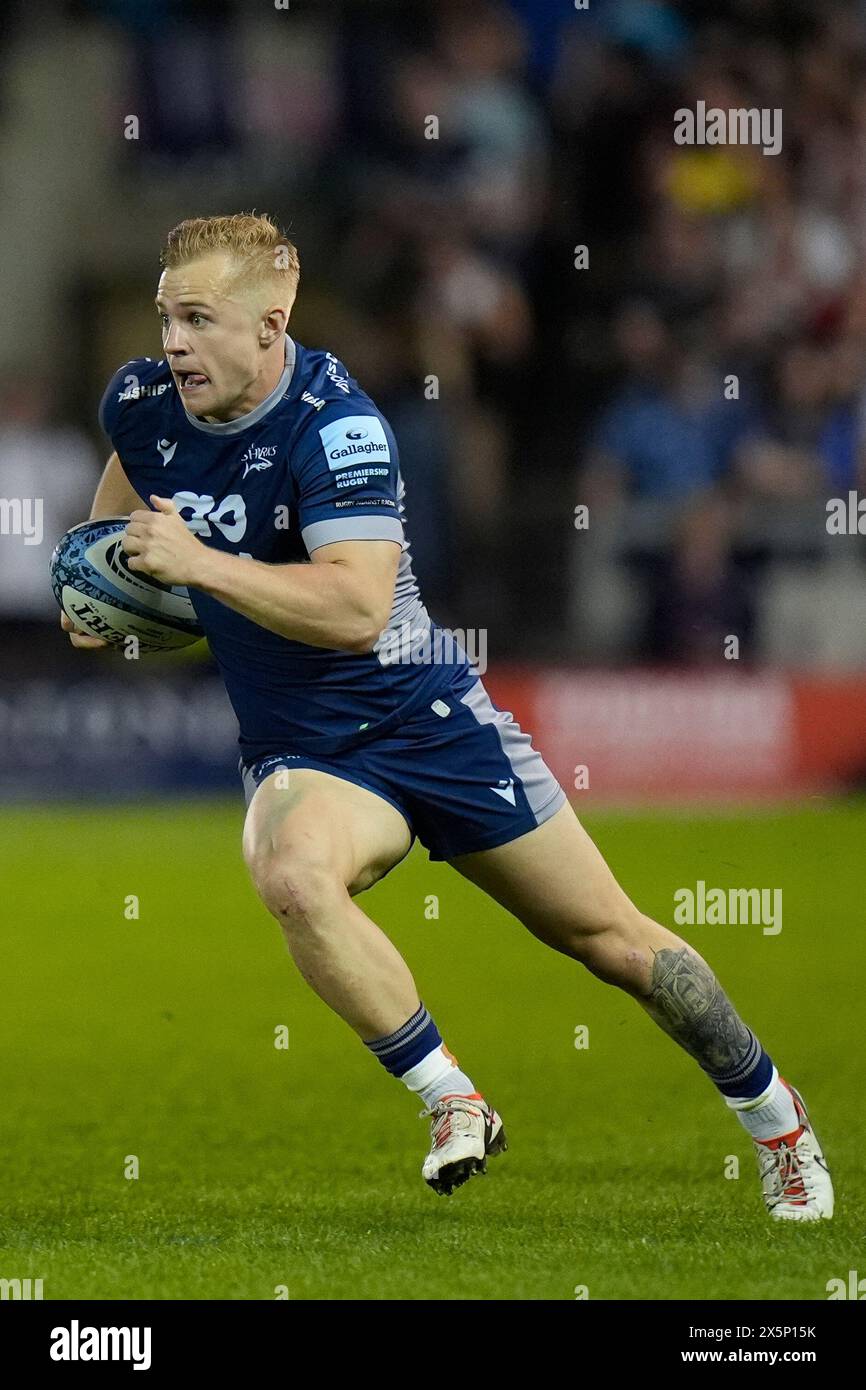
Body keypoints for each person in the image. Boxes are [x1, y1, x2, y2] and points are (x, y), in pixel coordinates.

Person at [62, 213, 832, 1218]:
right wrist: (110, 593)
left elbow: (354, 608)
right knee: (290, 874)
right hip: (306, 748)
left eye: (199, 318)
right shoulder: (141, 404)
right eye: (167, 316)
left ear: (271, 321)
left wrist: (197, 566)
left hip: (426, 716)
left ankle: (776, 1119)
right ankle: (451, 1099)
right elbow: (109, 555)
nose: (171, 341)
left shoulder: (334, 423)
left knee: (612, 942)